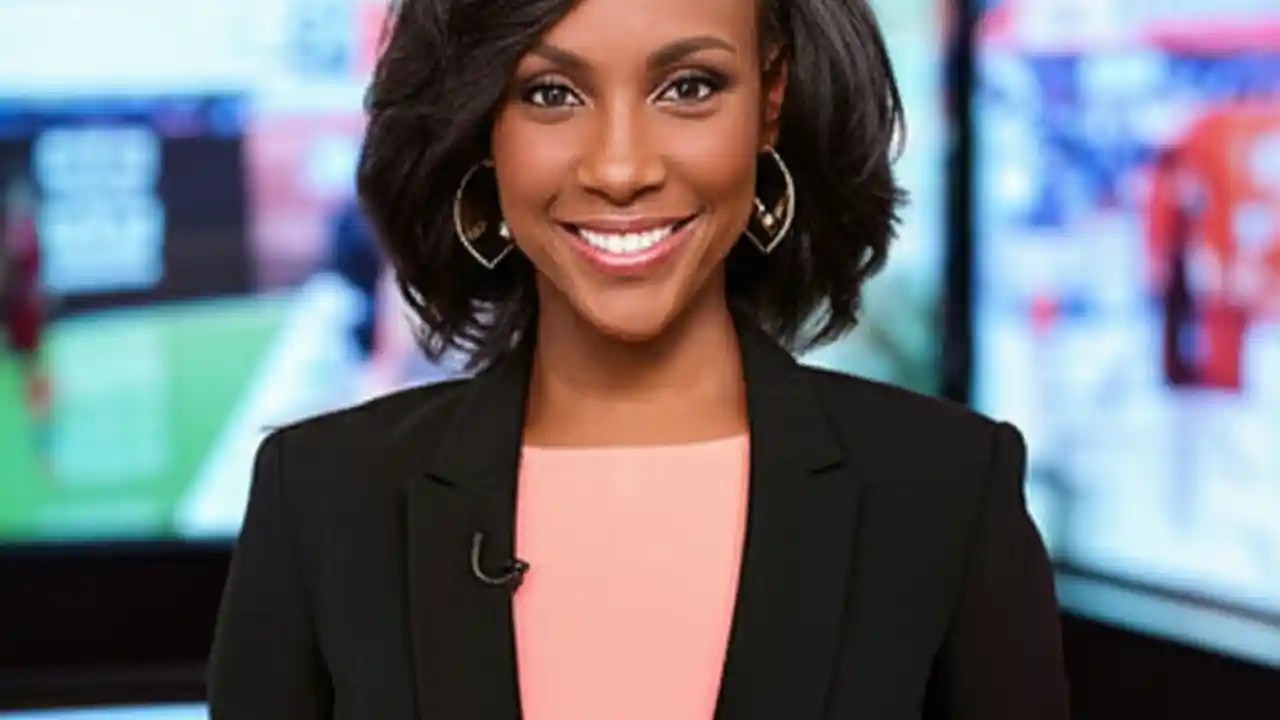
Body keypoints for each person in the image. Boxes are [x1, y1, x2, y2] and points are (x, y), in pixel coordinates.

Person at [209, 0, 1070, 717]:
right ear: (482, 125)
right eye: (550, 93)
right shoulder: (320, 499)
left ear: (770, 98)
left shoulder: (949, 492)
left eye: (689, 87)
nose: (621, 169)